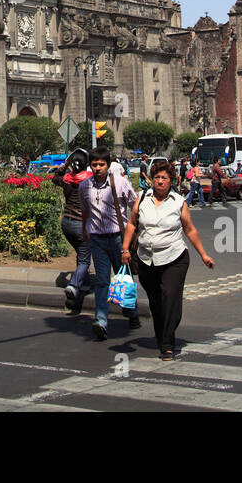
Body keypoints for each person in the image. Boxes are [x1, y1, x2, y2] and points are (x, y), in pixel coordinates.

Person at [122, 159, 215, 359]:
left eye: (164, 178)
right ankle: (161, 333)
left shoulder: (178, 202)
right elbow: (131, 224)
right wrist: (125, 249)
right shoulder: (143, 197)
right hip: (147, 260)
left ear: (171, 180)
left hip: (174, 258)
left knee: (170, 298)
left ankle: (167, 343)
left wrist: (203, 255)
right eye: (157, 178)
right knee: (156, 302)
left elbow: (189, 229)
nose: (160, 182)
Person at [80, 146, 140, 341]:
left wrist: (132, 230)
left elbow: (135, 205)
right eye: (94, 164)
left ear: (108, 165)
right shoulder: (84, 186)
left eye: (101, 164)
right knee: (102, 281)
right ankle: (101, 320)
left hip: (118, 239)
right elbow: (85, 211)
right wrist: (84, 230)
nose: (98, 168)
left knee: (124, 279)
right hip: (97, 239)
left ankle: (131, 313)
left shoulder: (121, 183)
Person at [57, 157, 94, 310]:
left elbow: (56, 177)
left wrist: (64, 165)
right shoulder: (90, 181)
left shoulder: (66, 180)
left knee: (81, 253)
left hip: (66, 223)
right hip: (81, 224)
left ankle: (82, 284)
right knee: (85, 259)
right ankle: (73, 285)